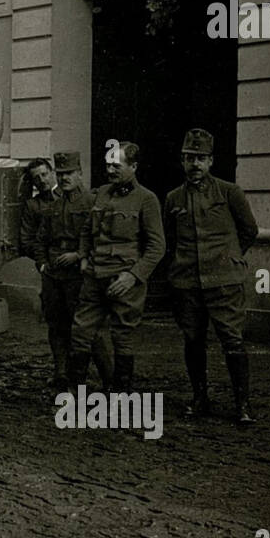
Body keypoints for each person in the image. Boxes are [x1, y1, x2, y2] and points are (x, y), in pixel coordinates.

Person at [164, 128, 260, 424]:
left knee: (232, 340)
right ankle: (200, 397)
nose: (195, 164)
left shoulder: (230, 192)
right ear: (182, 160)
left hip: (224, 283)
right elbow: (170, 239)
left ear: (211, 161)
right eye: (189, 158)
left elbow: (249, 231)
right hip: (187, 282)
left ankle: (242, 404)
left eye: (201, 158)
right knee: (193, 340)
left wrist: (230, 259)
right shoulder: (172, 198)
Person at [68, 141, 164, 392]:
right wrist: (84, 257)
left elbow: (157, 247)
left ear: (133, 166)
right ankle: (74, 391)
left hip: (123, 281)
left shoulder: (147, 199)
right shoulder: (101, 194)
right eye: (108, 165)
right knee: (80, 332)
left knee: (122, 337)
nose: (110, 170)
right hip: (94, 276)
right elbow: (87, 231)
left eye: (117, 165)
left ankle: (120, 393)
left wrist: (133, 276)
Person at [26, 152, 114, 389]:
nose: (64, 178)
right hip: (54, 276)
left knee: (87, 329)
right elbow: (40, 240)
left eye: (69, 174)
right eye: (62, 173)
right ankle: (61, 374)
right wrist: (42, 264)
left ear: (80, 174)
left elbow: (101, 238)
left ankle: (109, 379)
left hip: (79, 275)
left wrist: (78, 256)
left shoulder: (92, 203)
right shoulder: (54, 205)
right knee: (56, 325)